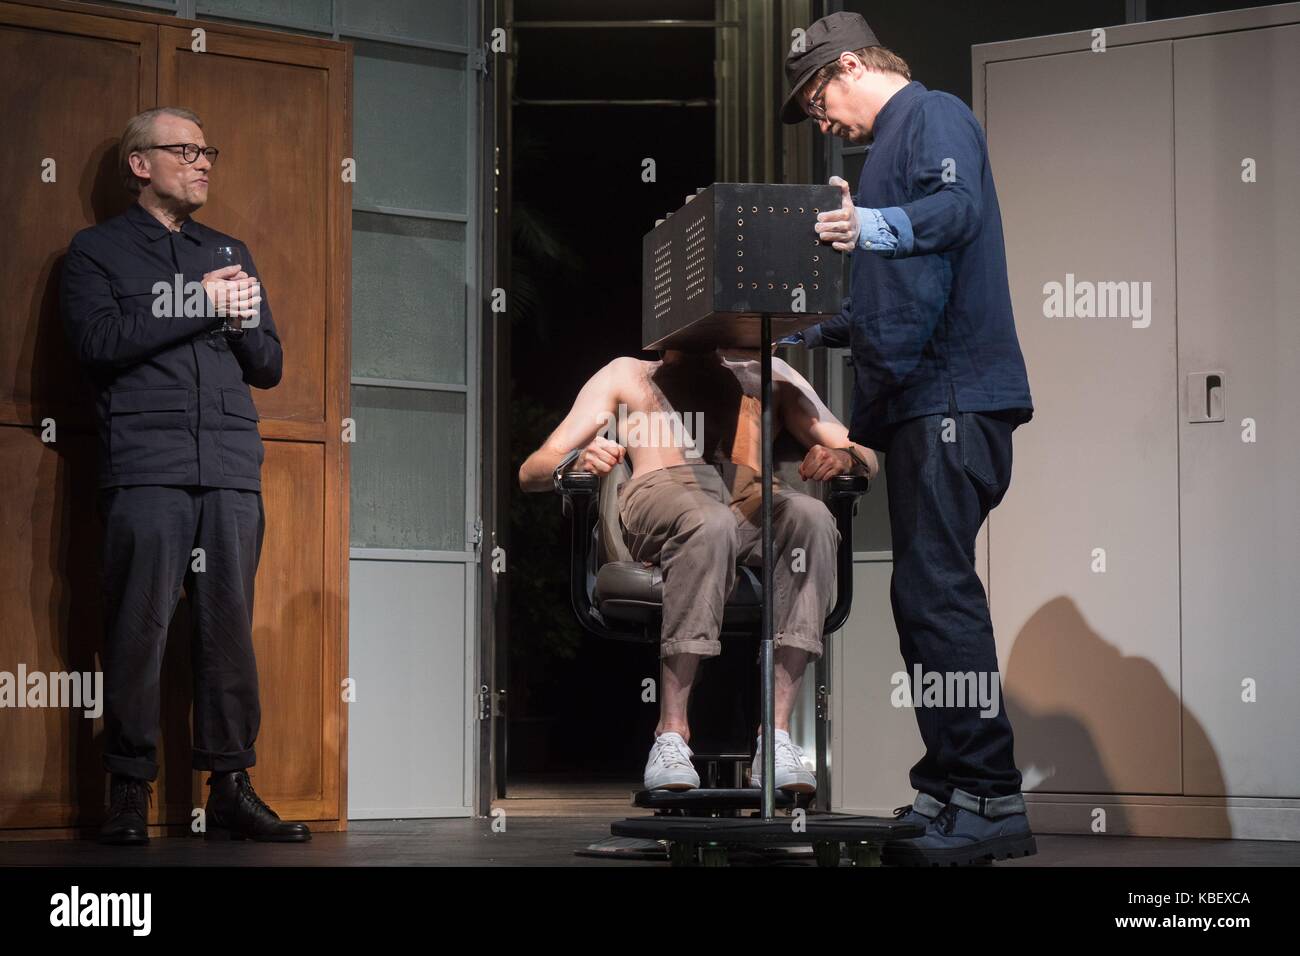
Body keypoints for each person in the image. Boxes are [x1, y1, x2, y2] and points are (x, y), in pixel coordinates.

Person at [780, 12, 1037, 865]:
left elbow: (957, 209)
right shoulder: (882, 152)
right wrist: (793, 339)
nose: (821, 120)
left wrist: (874, 228)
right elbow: (884, 302)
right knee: (920, 598)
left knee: (939, 592)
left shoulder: (932, 115)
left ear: (852, 64)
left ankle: (987, 797)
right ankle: (947, 788)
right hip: (924, 407)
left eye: (819, 96)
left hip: (955, 401)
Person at [61, 106, 307, 844]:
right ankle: (130, 790)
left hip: (230, 466)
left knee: (228, 632)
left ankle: (230, 786)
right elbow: (98, 342)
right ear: (140, 164)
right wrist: (202, 302)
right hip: (147, 465)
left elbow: (269, 365)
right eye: (185, 150)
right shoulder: (96, 251)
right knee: (138, 629)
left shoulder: (228, 250)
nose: (203, 163)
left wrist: (236, 317)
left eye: (209, 151)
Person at [518, 347, 876, 793]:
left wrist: (844, 458)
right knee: (709, 521)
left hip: (752, 500)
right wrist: (577, 459)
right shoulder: (628, 374)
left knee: (814, 518)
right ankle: (671, 734)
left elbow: (862, 453)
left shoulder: (769, 372)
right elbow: (532, 470)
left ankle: (777, 737)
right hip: (664, 495)